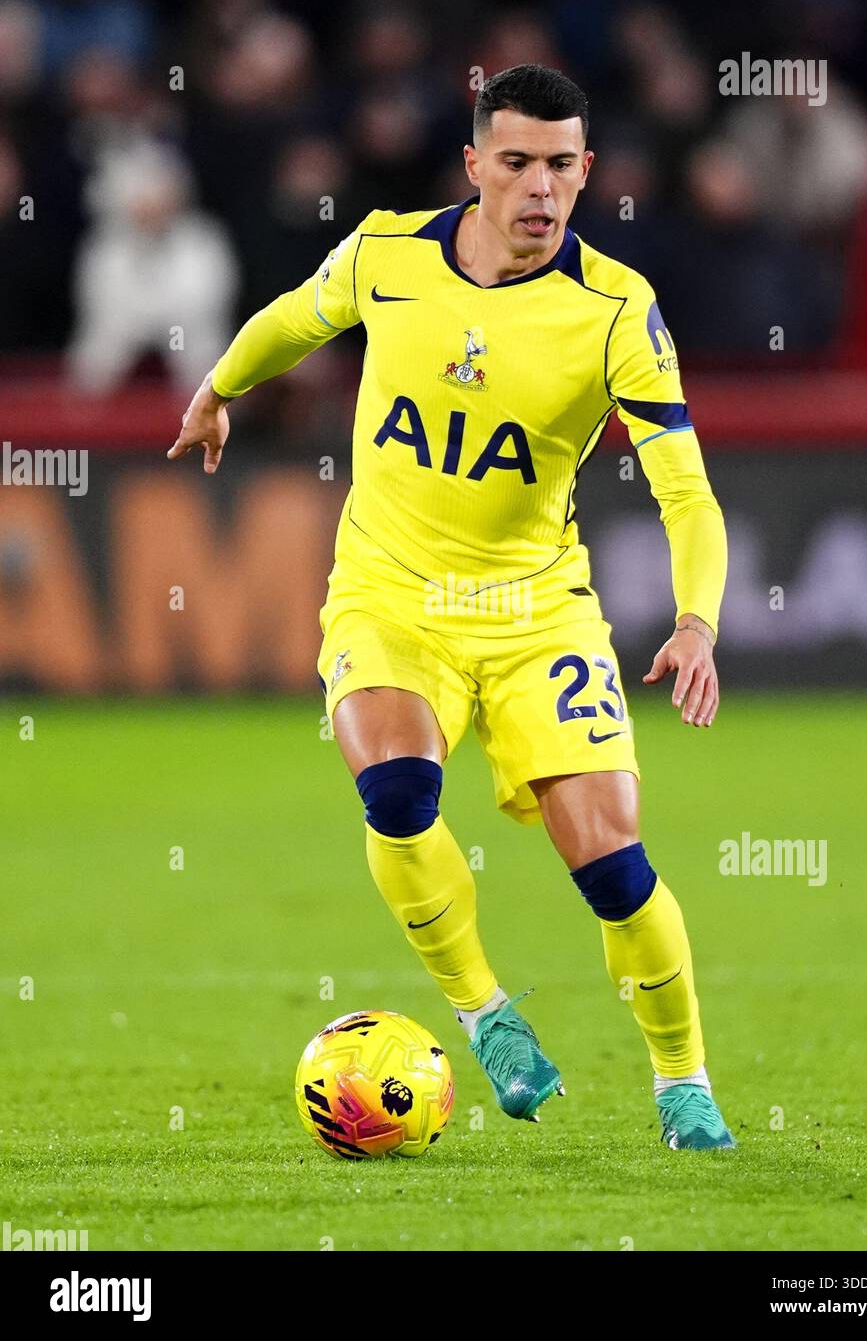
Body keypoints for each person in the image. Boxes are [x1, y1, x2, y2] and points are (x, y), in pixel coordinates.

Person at [167, 64, 735, 1151]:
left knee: (613, 866)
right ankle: (486, 1012)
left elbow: (685, 489)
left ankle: (681, 1081)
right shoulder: (386, 254)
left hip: (538, 614)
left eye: (559, 165)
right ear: (473, 164)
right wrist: (220, 387)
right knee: (394, 788)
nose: (537, 186)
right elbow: (296, 318)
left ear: (586, 173)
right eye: (515, 161)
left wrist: (697, 618)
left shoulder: (615, 307)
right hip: (391, 591)